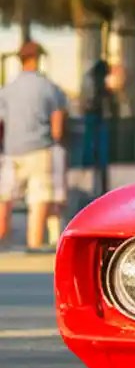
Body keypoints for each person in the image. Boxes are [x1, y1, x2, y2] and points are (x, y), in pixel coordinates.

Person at [0, 42, 69, 251]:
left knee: (4, 199)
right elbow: (57, 126)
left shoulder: (7, 89)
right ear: (37, 59)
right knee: (39, 201)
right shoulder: (49, 87)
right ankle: (34, 245)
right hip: (40, 150)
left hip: (12, 151)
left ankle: (2, 239)